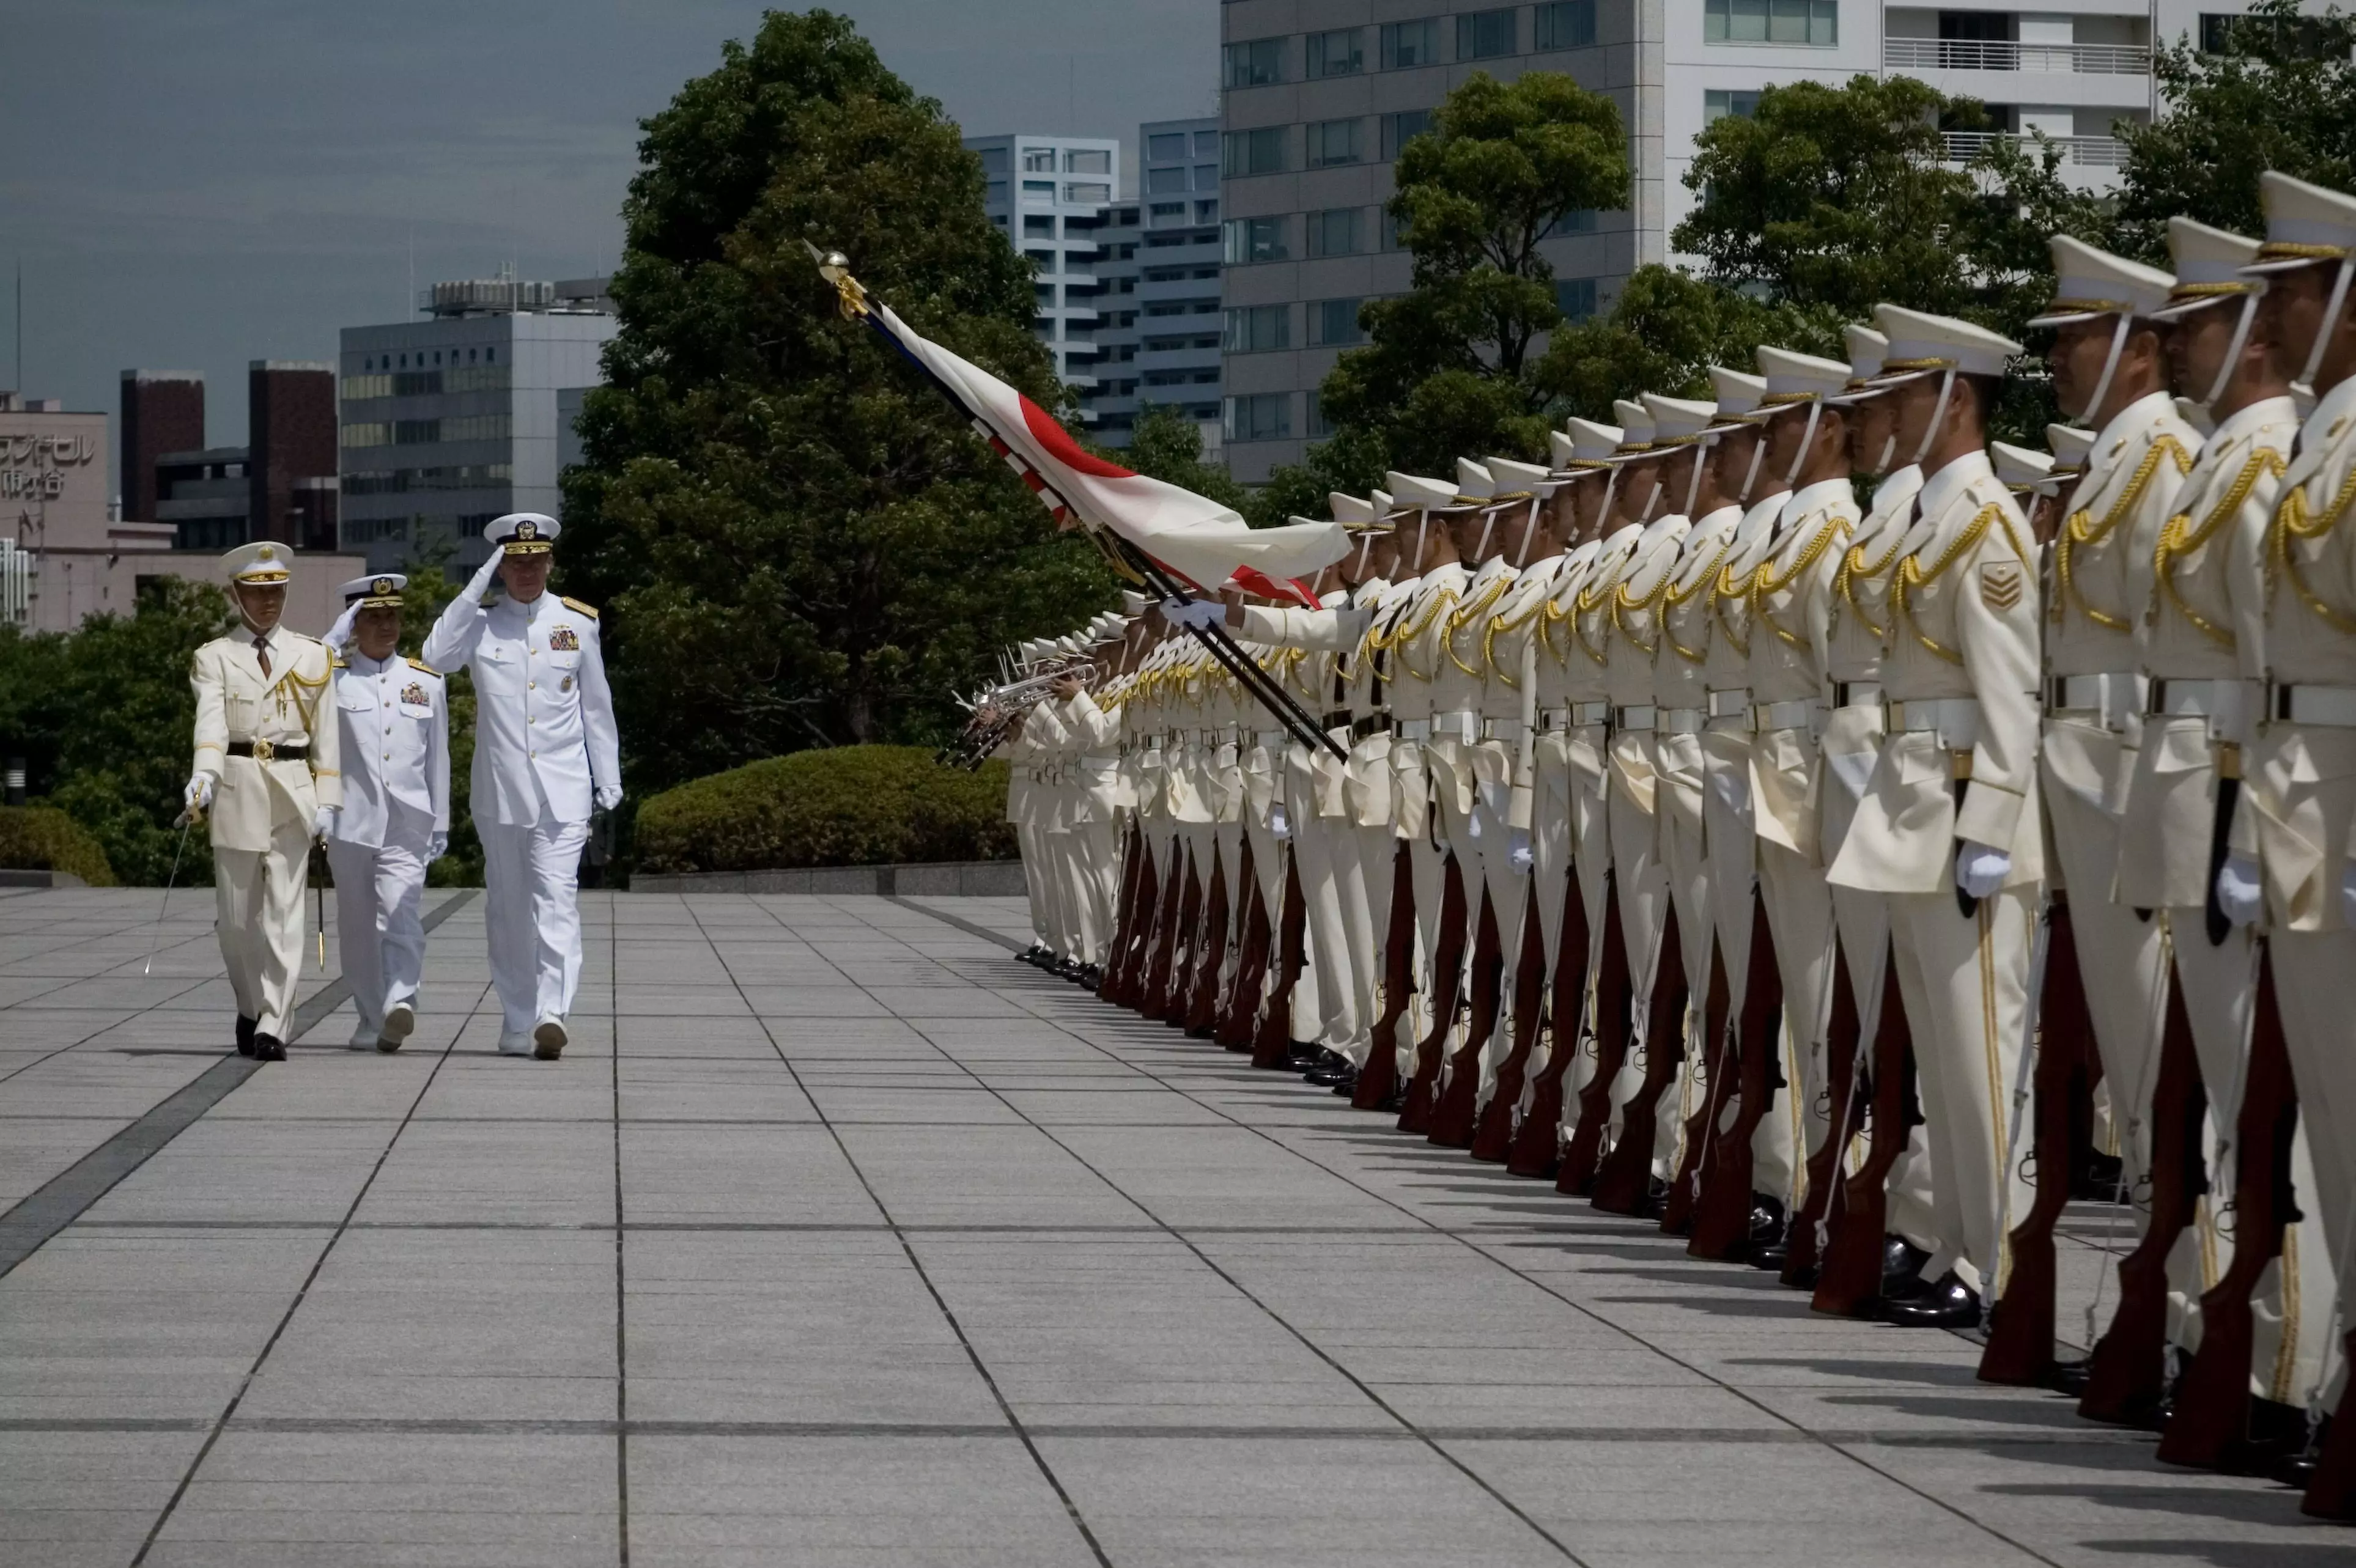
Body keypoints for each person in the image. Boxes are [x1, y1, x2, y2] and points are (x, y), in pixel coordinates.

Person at [1827, 304, 2044, 1330]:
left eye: (1903, 395)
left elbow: (2010, 692)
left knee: (1981, 1054)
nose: (1886, 412)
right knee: (1942, 1055)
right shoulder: (1925, 514)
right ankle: (1956, 1241)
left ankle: (1996, 1263)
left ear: (1953, 400)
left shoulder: (1987, 523)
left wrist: (1992, 830)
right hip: (1916, 802)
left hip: (1960, 807)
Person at [422, 513, 621, 1059]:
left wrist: (609, 779)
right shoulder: (481, 625)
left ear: (551, 561)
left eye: (536, 560)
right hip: (500, 793)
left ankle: (552, 1012)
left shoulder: (577, 623)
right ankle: (518, 1017)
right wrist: (474, 585)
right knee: (509, 910)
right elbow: (434, 656)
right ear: (500, 566)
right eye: (515, 561)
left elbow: (596, 711)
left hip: (564, 792)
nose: (527, 571)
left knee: (557, 898)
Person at [186, 541, 342, 1062]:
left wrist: (329, 800)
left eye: (276, 590)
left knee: (283, 913)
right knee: (235, 922)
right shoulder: (215, 657)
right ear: (237, 594)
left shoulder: (314, 654)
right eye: (257, 592)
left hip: (293, 792)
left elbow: (328, 737)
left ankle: (274, 1021)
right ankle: (251, 1004)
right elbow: (210, 725)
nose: (269, 601)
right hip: (235, 791)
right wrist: (202, 777)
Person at [320, 575, 449, 1052]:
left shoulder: (424, 681)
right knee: (356, 925)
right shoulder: (331, 680)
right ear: (354, 624)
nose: (386, 625)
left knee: (401, 910)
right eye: (372, 617)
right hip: (350, 820)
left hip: (407, 821)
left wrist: (442, 822)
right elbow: (298, 689)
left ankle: (400, 998)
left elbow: (438, 759)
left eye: (391, 615)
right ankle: (371, 1015)